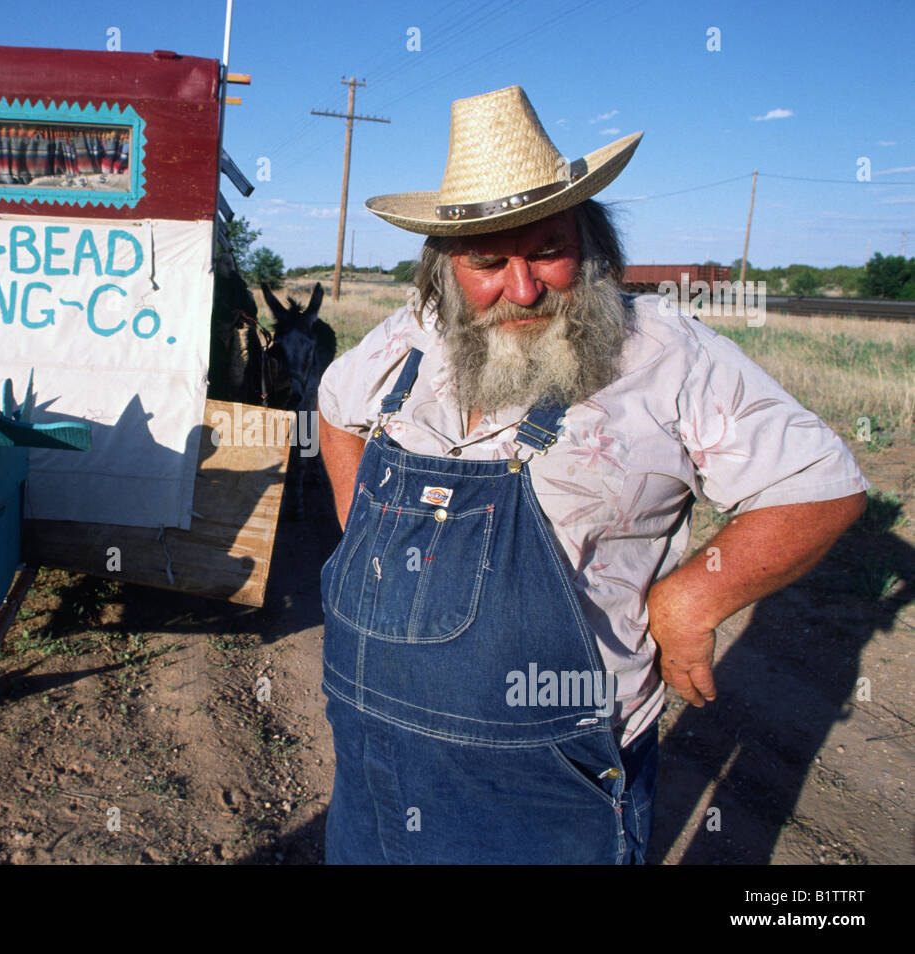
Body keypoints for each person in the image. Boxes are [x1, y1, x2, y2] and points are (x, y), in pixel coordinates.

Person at [315, 85, 869, 864]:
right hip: (372, 751)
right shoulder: (411, 337)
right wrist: (358, 525)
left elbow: (818, 482)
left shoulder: (667, 355)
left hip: (549, 773)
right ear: (444, 266)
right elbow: (336, 408)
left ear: (591, 240)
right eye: (486, 261)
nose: (522, 288)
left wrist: (695, 596)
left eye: (547, 249)